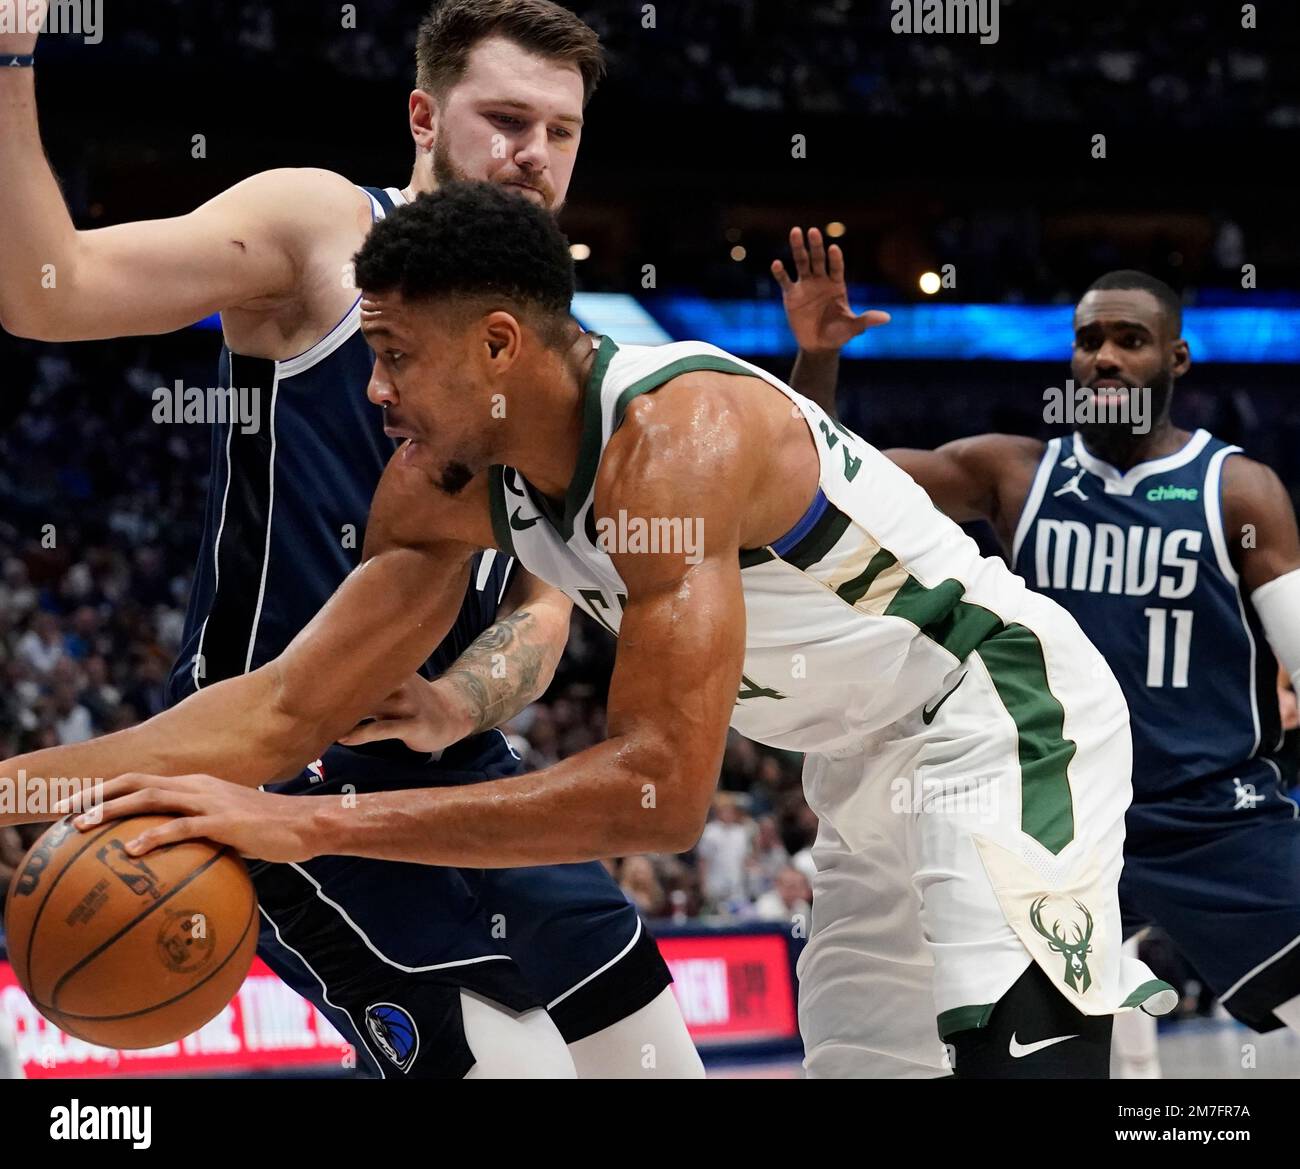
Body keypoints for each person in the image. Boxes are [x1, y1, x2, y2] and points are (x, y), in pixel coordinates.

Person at [37, 183, 1178, 1079]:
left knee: (1012, 1055)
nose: (374, 392)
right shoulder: (442, 481)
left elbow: (658, 794)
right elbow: (287, 707)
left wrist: (315, 828)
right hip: (859, 761)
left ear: (495, 347)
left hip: (1001, 711)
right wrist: (22, 791)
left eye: (393, 356)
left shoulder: (675, 439)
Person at [0, 0, 696, 1079]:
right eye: (506, 117)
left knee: (653, 1062)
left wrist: (463, 699)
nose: (533, 154)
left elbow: (542, 603)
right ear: (422, 114)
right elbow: (50, 292)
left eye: (561, 131)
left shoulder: (565, 346)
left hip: (454, 765)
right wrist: (9, 56)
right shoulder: (323, 225)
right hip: (263, 756)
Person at [778, 237, 1300, 1076]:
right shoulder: (1015, 474)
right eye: (1089, 341)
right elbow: (823, 482)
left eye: (1129, 341)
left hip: (1206, 808)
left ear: (1177, 357)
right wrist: (818, 358)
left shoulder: (1237, 488)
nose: (1104, 359)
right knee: (1083, 1041)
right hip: (1062, 793)